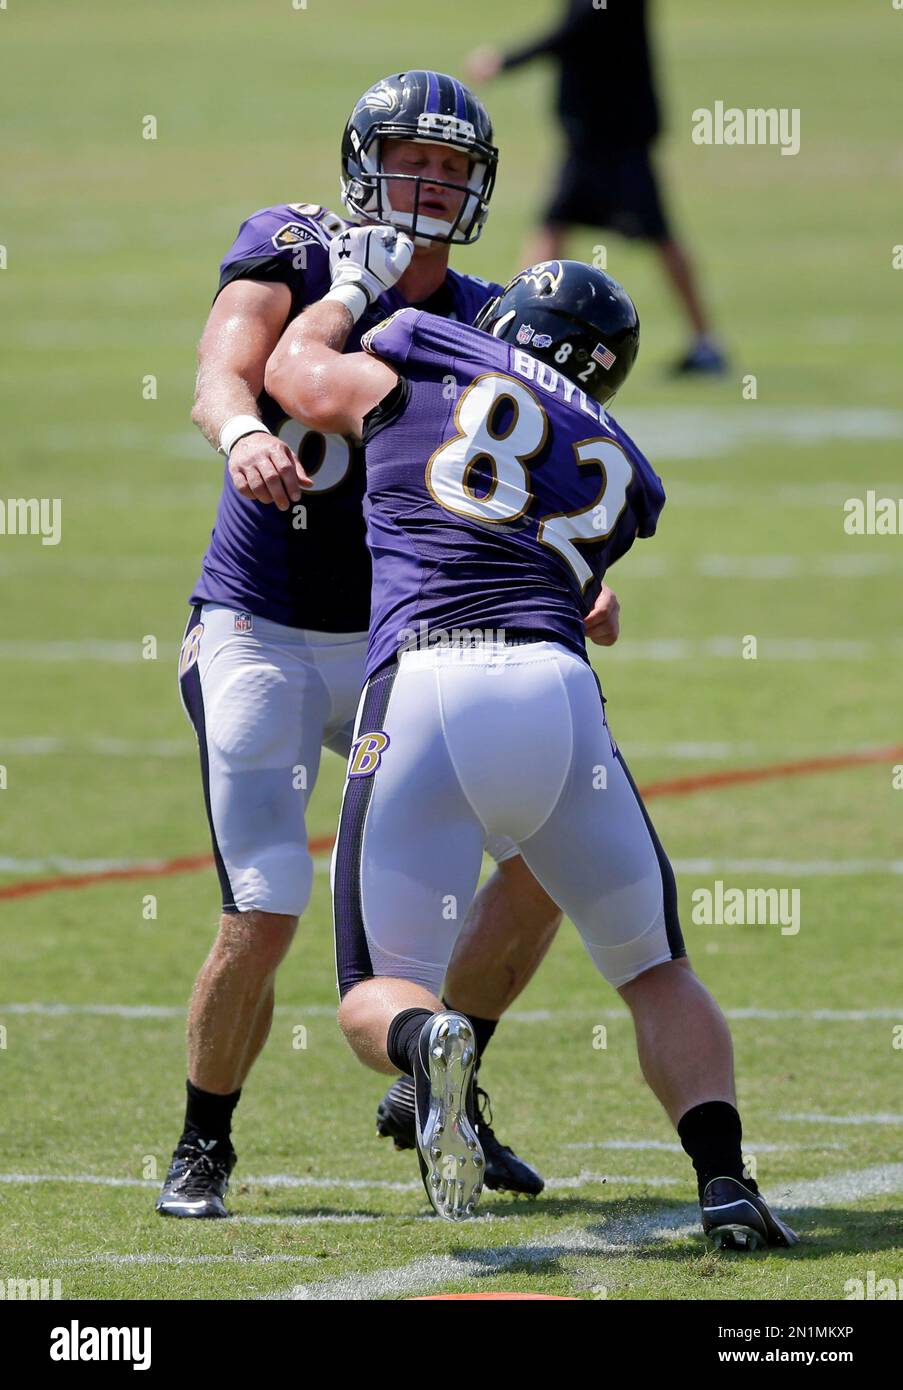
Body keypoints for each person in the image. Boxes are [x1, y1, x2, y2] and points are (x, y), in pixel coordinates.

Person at [265, 232, 798, 1250]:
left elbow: (294, 374)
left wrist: (346, 292)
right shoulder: (620, 463)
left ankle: (429, 1044)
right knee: (654, 969)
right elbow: (547, 545)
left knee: (373, 993)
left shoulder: (428, 343)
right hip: (559, 700)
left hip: (426, 680)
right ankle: (725, 1181)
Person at [158, 69, 621, 1219]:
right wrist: (239, 434)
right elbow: (226, 361)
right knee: (263, 907)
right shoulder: (295, 246)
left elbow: (524, 483)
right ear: (366, 161)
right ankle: (202, 1140)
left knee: (542, 867)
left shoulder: (486, 313)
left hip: (402, 646)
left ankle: (435, 1087)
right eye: (416, 159)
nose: (434, 182)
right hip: (258, 624)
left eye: (457, 169)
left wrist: (570, 580)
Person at [466, 0, 727, 374]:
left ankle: (706, 343)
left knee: (650, 234)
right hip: (595, 137)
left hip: (614, 138)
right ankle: (513, 329)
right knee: (554, 226)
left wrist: (504, 61)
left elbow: (573, 33)